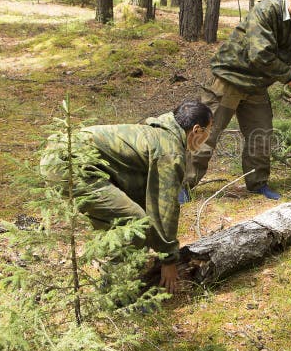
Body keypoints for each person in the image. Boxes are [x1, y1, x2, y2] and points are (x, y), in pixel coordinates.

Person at [183, 0, 291, 201]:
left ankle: (257, 183)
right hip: (231, 78)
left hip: (257, 84)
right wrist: (289, 77)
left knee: (261, 135)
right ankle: (183, 183)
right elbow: (260, 54)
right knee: (206, 134)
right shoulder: (266, 10)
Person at [40, 100, 213, 293]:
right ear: (197, 130)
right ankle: (116, 292)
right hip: (69, 165)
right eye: (208, 131)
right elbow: (165, 209)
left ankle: (117, 264)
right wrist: (169, 260)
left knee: (129, 217)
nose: (208, 137)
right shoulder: (169, 152)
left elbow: (142, 194)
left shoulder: (159, 132)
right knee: (134, 222)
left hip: (63, 156)